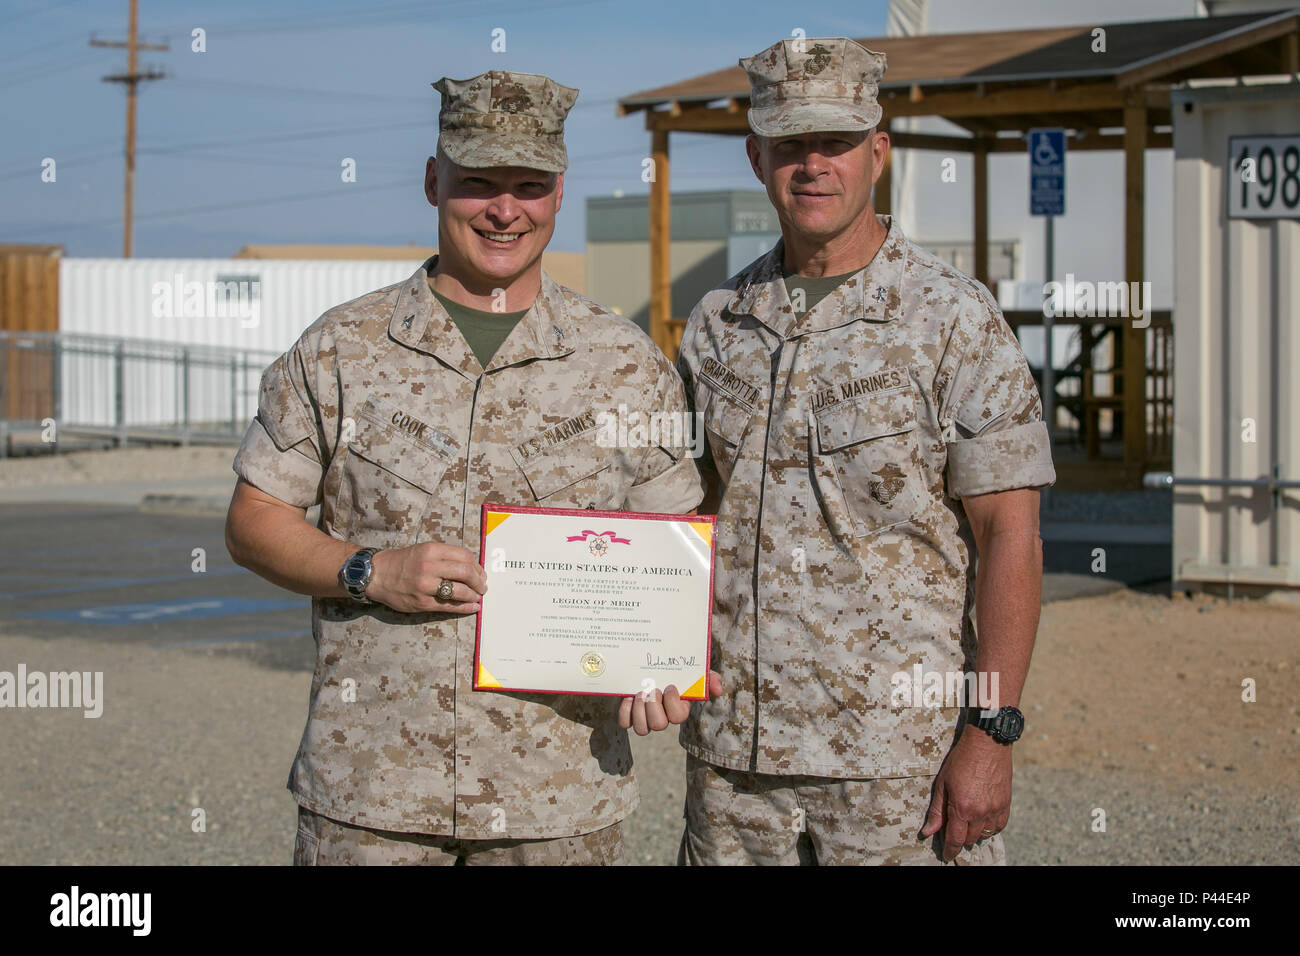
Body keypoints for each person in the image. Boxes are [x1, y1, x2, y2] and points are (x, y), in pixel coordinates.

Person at [225, 70, 704, 865]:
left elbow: (675, 543)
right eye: (477, 183)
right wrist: (366, 571)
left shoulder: (623, 364)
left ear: (558, 193)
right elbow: (252, 523)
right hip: (372, 800)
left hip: (557, 797)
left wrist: (659, 668)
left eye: (529, 185)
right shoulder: (341, 349)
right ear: (431, 181)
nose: (504, 209)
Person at [674, 37, 1056, 865]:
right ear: (756, 156)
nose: (812, 166)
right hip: (735, 768)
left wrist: (992, 732)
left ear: (877, 152)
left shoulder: (954, 320)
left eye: (835, 143)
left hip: (895, 770)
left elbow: (1010, 537)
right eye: (788, 145)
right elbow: (685, 521)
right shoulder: (715, 328)